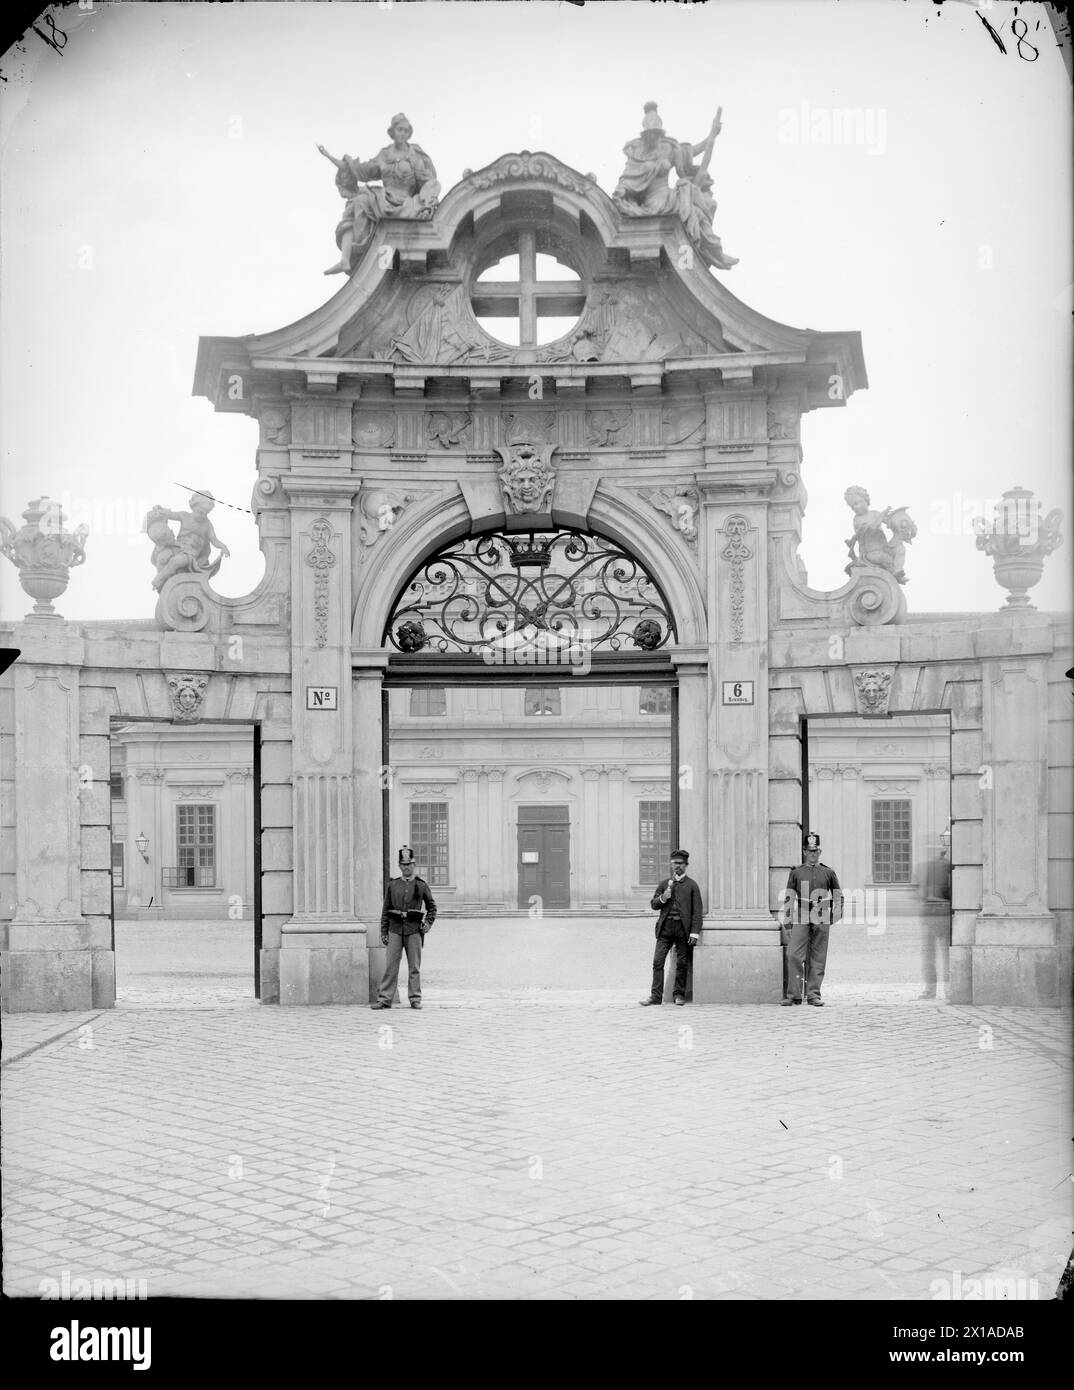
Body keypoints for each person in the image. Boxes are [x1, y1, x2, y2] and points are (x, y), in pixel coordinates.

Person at [318, 113, 440, 276]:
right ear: (393, 132)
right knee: (358, 201)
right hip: (383, 199)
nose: (402, 133)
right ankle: (347, 258)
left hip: (405, 204)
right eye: (399, 130)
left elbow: (427, 181)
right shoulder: (384, 155)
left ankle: (369, 264)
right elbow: (363, 171)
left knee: (386, 258)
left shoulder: (414, 156)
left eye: (406, 131)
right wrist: (333, 158)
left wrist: (427, 200)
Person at [371, 845, 437, 1010]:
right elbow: (386, 910)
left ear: (414, 865)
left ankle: (415, 998)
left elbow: (432, 907)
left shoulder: (421, 885)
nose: (406, 867)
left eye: (409, 864)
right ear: (399, 866)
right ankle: (385, 999)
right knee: (391, 966)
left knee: (414, 967)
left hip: (414, 930)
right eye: (403, 864)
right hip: (395, 929)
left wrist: (427, 924)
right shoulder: (393, 885)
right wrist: (384, 931)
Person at [781, 832, 842, 1006]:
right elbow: (789, 898)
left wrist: (835, 916)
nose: (813, 854)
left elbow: (838, 896)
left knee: (818, 956)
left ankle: (813, 994)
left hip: (822, 915)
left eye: (815, 851)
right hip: (802, 914)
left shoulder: (828, 873)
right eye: (809, 851)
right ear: (804, 852)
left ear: (819, 852)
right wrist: (788, 922)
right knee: (793, 954)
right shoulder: (796, 873)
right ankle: (794, 995)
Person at [640, 848, 703, 1006]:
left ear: (686, 865)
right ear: (671, 864)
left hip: (683, 929)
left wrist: (694, 933)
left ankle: (679, 995)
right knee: (657, 962)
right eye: (675, 863)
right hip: (665, 929)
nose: (677, 866)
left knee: (682, 963)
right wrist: (663, 897)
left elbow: (697, 912)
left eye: (680, 863)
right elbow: (654, 904)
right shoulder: (664, 884)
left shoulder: (692, 885)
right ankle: (655, 997)